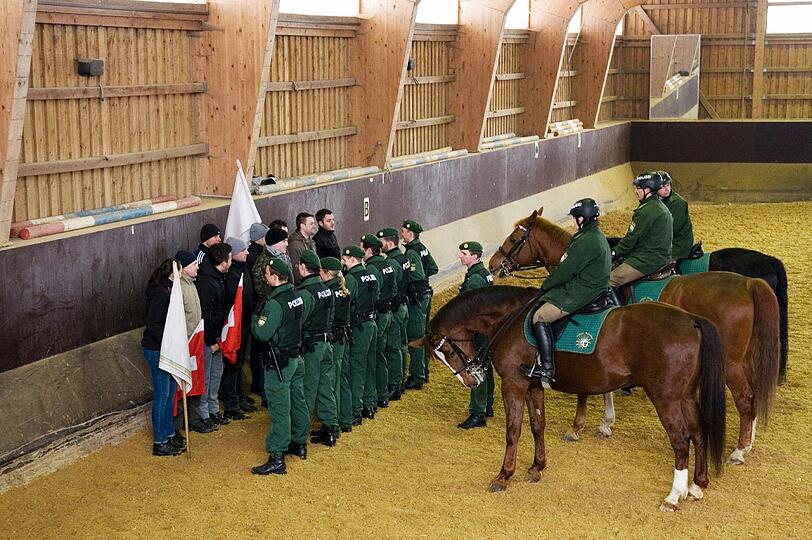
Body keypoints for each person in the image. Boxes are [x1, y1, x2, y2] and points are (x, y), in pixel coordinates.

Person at [521, 199, 612, 387]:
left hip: (582, 290)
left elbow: (565, 270)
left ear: (581, 218)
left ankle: (546, 367)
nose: (573, 222)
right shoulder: (596, 235)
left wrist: (546, 286)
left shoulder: (585, 240)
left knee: (540, 317)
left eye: (575, 218)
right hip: (595, 286)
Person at [250, 257, 309, 476]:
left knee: (279, 408)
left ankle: (277, 456)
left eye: (266, 274)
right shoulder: (297, 296)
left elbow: (262, 333)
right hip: (295, 357)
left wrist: (256, 318)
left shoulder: (274, 304)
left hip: (279, 363)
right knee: (298, 400)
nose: (265, 277)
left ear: (275, 277)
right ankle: (300, 443)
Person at [141, 258, 184, 456]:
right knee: (163, 394)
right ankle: (160, 441)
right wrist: (167, 343)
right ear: (173, 274)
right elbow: (152, 323)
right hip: (158, 349)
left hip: (165, 349)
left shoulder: (168, 291)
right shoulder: (161, 293)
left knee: (169, 392)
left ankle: (168, 433)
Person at [297, 250, 339, 447]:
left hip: (312, 345)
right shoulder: (326, 289)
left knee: (308, 390)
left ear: (304, 267)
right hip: (326, 343)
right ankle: (330, 429)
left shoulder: (305, 293)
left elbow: (301, 322)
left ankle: (300, 435)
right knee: (325, 387)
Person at [609, 172, 673, 299]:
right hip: (660, 255)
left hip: (646, 260)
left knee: (609, 280)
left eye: (638, 188)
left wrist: (613, 253)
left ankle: (616, 311)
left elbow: (631, 240)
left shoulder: (646, 210)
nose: (635, 191)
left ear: (648, 190)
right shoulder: (660, 206)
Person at [456, 241, 495, 429]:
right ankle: (488, 405)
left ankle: (477, 412)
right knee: (486, 367)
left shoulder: (474, 280)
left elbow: (469, 310)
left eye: (464, 253)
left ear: (475, 256)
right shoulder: (483, 274)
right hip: (487, 328)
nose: (460, 256)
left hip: (478, 330)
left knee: (476, 368)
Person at [194, 242, 232, 428]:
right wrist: (211, 340)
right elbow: (205, 315)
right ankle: (203, 412)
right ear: (224, 262)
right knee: (206, 376)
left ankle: (213, 409)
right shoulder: (207, 282)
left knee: (217, 373)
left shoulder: (217, 277)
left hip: (216, 336)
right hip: (208, 338)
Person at [173, 250, 211, 434]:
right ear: (183, 268)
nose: (197, 267)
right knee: (181, 385)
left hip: (195, 344)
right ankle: (179, 424)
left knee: (195, 381)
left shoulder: (192, 284)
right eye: (193, 264)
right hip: (184, 345)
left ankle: (194, 418)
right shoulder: (178, 288)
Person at [341, 245, 379, 425]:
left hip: (359, 327)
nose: (343, 262)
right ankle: (370, 404)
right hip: (371, 323)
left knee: (356, 367)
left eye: (346, 259)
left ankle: (356, 409)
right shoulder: (371, 274)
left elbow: (346, 303)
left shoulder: (351, 278)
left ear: (353, 260)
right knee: (370, 364)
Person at [221, 238, 255, 420]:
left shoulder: (242, 268)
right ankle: (231, 404)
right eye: (243, 250)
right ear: (233, 255)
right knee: (233, 365)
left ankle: (239, 397)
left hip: (244, 323)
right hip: (235, 326)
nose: (247, 253)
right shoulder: (232, 274)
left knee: (239, 363)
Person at [362, 234, 397, 410]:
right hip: (389, 311)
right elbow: (394, 288)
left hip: (378, 315)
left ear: (368, 249)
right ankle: (382, 394)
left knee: (371, 357)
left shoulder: (372, 269)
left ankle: (372, 397)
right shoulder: (387, 265)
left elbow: (373, 295)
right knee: (381, 354)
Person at [401, 220, 436, 389]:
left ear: (410, 233)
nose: (401, 234)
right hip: (426, 294)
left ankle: (417, 375)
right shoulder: (422, 248)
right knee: (423, 332)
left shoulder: (412, 253)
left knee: (415, 336)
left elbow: (417, 275)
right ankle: (424, 371)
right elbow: (433, 268)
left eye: (403, 231)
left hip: (417, 297)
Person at [377, 228, 410, 400]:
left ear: (388, 243)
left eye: (381, 243)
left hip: (395, 308)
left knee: (392, 346)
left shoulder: (391, 263)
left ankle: (395, 383)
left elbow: (391, 287)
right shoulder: (403, 257)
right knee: (401, 345)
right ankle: (401, 378)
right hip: (403, 305)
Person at [321, 256, 353, 433]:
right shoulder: (343, 289)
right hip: (344, 338)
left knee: (331, 381)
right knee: (343, 378)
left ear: (326, 273)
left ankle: (333, 423)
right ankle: (345, 419)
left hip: (333, 339)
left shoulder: (328, 292)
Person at [656, 171, 694, 261]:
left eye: (668, 185)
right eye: (662, 186)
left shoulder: (677, 203)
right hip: (665, 241)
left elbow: (672, 229)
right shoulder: (655, 200)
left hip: (678, 244)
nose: (666, 189)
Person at [253, 227, 293, 304]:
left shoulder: (285, 255)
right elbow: (261, 289)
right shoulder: (263, 262)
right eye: (284, 241)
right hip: (274, 302)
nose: (287, 244)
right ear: (275, 243)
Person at [288, 212, 318, 284]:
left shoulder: (311, 242)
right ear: (302, 226)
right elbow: (296, 271)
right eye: (311, 224)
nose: (314, 226)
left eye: (314, 223)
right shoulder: (294, 245)